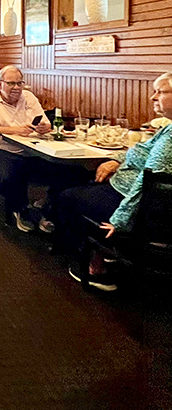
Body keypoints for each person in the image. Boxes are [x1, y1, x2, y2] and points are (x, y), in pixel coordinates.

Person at [56, 72, 172, 291]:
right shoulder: (167, 127)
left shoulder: (170, 139)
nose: (153, 97)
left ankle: (95, 265)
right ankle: (103, 248)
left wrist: (120, 220)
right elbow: (141, 151)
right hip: (133, 195)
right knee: (87, 183)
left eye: (160, 92)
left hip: (147, 209)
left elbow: (147, 184)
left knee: (66, 196)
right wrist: (115, 160)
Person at [0, 65, 56, 233]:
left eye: (20, 83)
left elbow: (45, 122)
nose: (16, 88)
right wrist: (15, 130)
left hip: (33, 149)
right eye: (11, 83)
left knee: (65, 169)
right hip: (2, 150)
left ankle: (48, 205)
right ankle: (20, 209)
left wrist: (44, 127)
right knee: (12, 173)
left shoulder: (29, 97)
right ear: (0, 85)